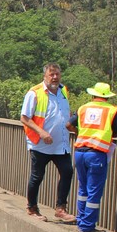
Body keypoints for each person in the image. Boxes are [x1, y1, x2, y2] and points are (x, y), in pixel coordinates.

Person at [19, 63, 74, 222]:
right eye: (52, 74)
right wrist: (41, 132)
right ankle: (32, 208)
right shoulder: (34, 93)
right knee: (37, 176)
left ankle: (61, 208)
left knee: (67, 172)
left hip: (60, 143)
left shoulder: (64, 91)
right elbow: (24, 118)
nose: (55, 77)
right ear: (45, 76)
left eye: (57, 74)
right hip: (40, 143)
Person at [69, 82, 117, 232]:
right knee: (94, 191)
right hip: (96, 154)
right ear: (106, 97)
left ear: (93, 95)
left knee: (83, 189)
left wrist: (80, 133)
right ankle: (87, 227)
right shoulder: (111, 110)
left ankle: (81, 221)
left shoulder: (83, 108)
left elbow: (68, 124)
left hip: (80, 152)